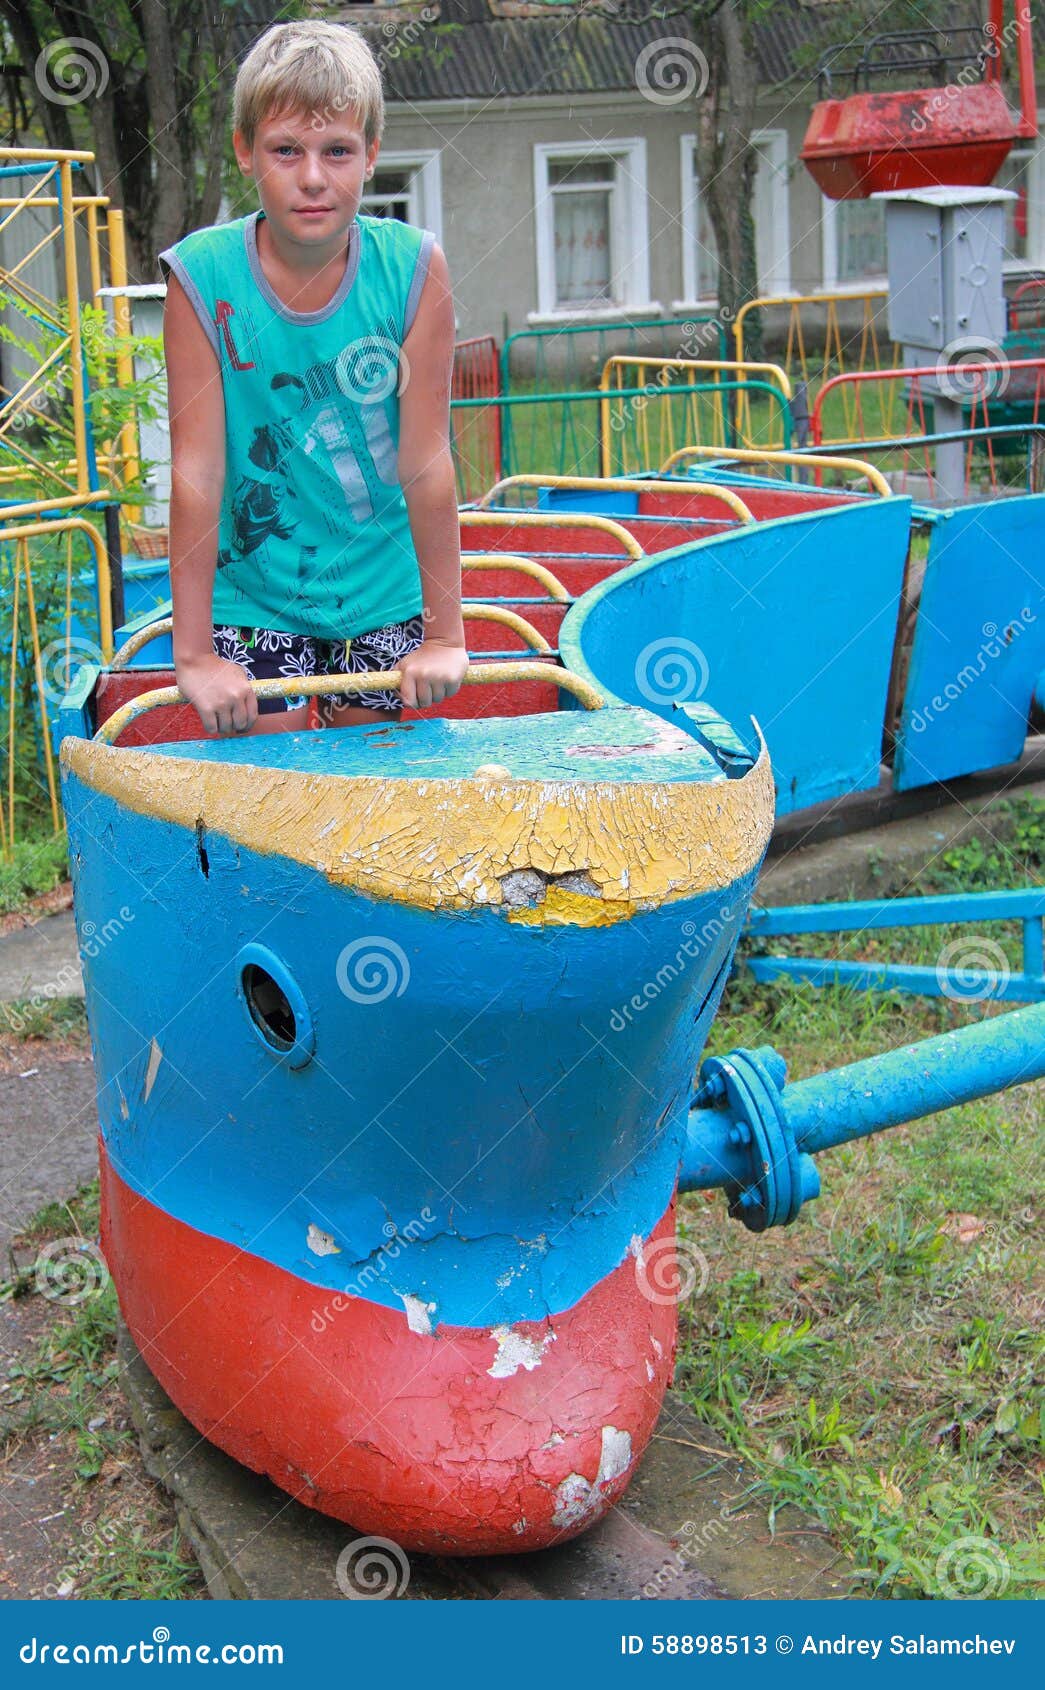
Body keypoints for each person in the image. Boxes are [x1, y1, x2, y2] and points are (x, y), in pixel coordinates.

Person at [159, 18, 468, 737]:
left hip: (380, 587)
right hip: (256, 591)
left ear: (371, 155)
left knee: (371, 783)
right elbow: (196, 471)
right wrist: (194, 654)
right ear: (244, 151)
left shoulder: (412, 270)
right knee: (276, 780)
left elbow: (426, 463)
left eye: (337, 151)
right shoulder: (201, 277)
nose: (312, 178)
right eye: (285, 150)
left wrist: (445, 634)